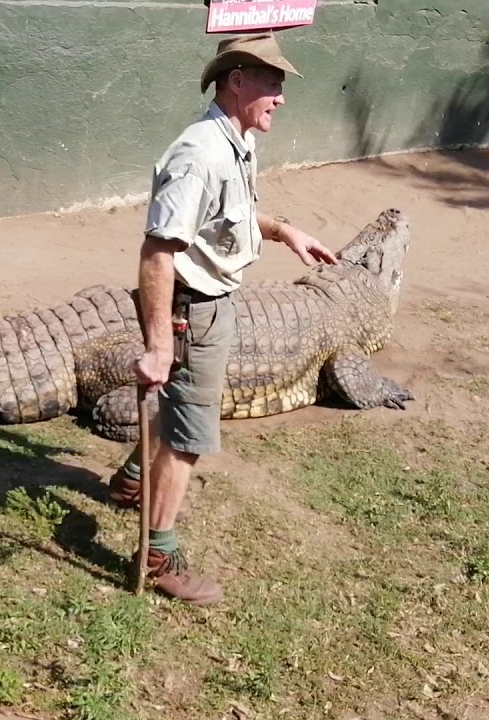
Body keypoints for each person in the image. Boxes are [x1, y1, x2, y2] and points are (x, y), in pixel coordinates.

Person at [106, 32, 339, 606]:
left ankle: (133, 480)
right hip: (190, 311)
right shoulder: (199, 154)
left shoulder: (236, 141)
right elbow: (158, 251)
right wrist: (160, 346)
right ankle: (157, 555)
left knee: (179, 408)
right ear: (237, 81)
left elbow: (231, 216)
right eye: (273, 83)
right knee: (189, 438)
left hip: (210, 308)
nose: (281, 97)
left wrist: (284, 231)